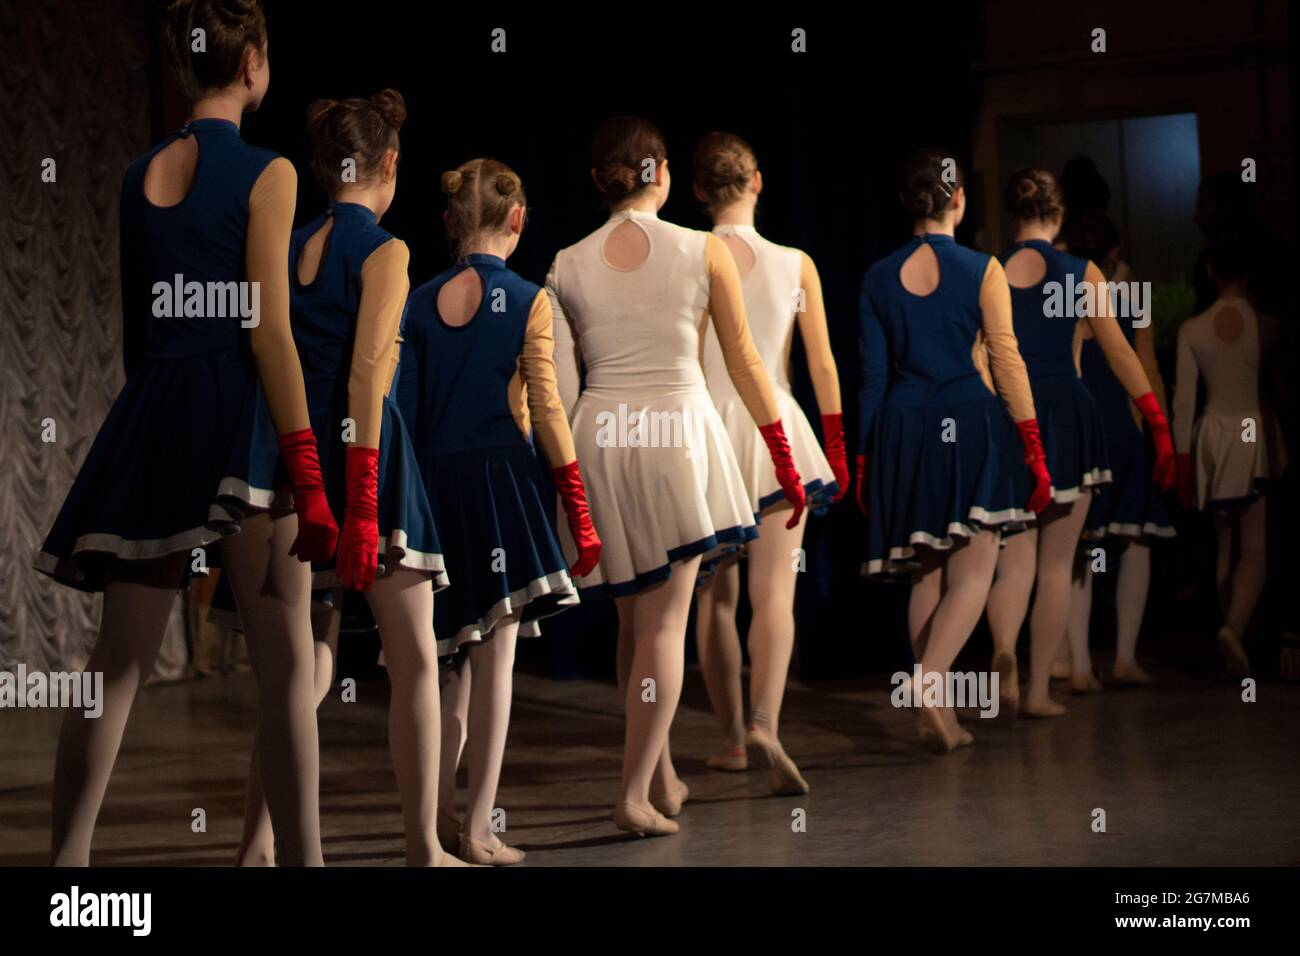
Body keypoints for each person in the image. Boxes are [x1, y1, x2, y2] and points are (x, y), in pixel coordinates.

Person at [38, 0, 334, 866]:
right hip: (240, 411)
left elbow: (139, 328)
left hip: (158, 408)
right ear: (253, 67)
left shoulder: (140, 174)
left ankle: (67, 871)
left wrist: (155, 420)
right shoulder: (269, 172)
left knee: (117, 659)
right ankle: (303, 863)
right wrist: (307, 469)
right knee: (282, 653)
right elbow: (269, 332)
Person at [548, 116, 804, 834]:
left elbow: (559, 385)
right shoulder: (699, 249)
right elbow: (748, 362)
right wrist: (781, 456)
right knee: (666, 623)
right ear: (658, 172)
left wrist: (565, 479)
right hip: (676, 434)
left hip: (601, 436)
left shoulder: (567, 260)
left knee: (635, 617)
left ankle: (658, 776)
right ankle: (633, 790)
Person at [398, 157, 599, 865]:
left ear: (451, 224)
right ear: (516, 220)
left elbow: (404, 411)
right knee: (496, 660)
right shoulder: (527, 298)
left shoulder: (417, 302)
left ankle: (440, 820)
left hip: (429, 485)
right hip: (501, 482)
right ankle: (479, 827)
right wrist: (577, 505)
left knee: (444, 661)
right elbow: (546, 408)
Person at [857, 149, 1051, 753]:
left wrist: (865, 459)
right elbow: (1006, 358)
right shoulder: (981, 267)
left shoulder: (877, 274)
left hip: (902, 426)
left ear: (904, 204)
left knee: (928, 568)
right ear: (959, 199)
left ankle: (935, 713)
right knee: (974, 568)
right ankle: (926, 683)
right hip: (968, 420)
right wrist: (1035, 447)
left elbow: (871, 377)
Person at [984, 168, 1174, 717]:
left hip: (1011, 415)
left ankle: (1003, 653)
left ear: (1009, 215)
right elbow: (1119, 353)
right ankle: (1039, 690)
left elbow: (982, 352)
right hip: (1066, 414)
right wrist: (1157, 423)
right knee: (1056, 564)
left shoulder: (988, 270)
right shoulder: (1078, 272)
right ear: (1059, 215)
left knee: (1012, 564)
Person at [689, 132, 847, 793]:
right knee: (775, 591)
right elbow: (820, 363)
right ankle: (764, 721)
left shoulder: (689, 255)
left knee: (715, 598)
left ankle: (730, 738)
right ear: (756, 181)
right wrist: (837, 447)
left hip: (711, 433)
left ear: (698, 191)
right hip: (778, 427)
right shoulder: (796, 263)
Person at [1062, 210, 1174, 687]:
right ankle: (1125, 656)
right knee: (1134, 537)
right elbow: (1146, 365)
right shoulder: (1134, 296)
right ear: (1115, 252)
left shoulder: (1065, 294)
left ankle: (1081, 664)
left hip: (1085, 429)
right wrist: (1163, 430)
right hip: (1127, 427)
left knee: (1077, 548)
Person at [1173, 239, 1288, 676]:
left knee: (1224, 543)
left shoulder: (1192, 329)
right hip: (1254, 433)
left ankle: (1231, 630)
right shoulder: (1268, 326)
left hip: (1213, 436)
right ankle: (1235, 630)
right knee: (1255, 546)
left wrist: (1182, 460)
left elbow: (1184, 402)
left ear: (1209, 271)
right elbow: (1279, 388)